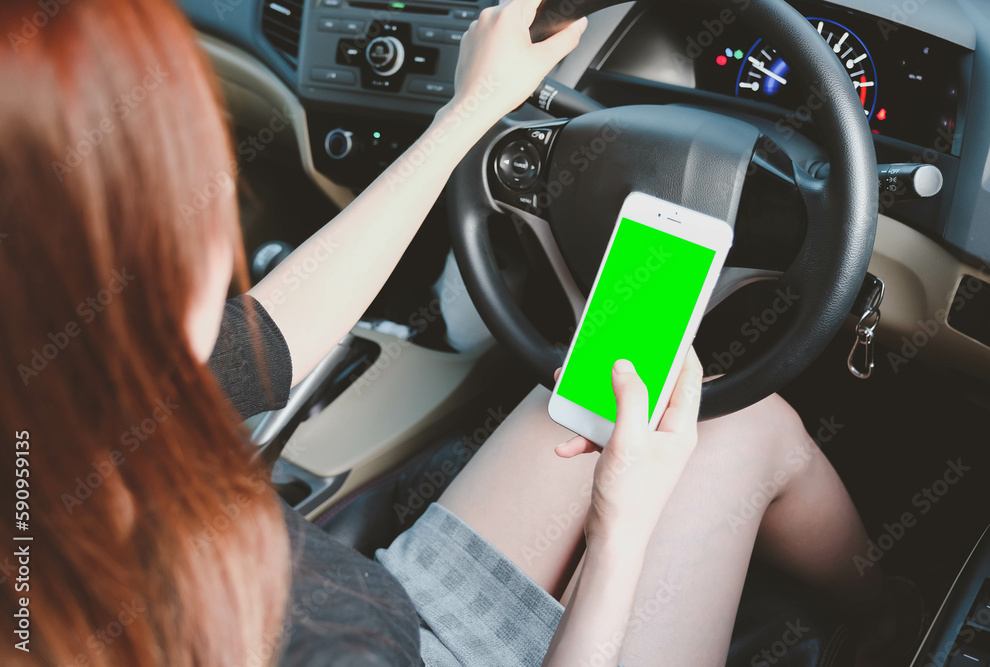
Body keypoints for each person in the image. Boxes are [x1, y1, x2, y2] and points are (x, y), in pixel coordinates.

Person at [0, 0, 918, 664]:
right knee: (741, 420)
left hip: (380, 603)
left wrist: (468, 111)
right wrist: (621, 523)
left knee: (611, 384)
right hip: (381, 635)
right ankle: (899, 630)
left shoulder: (47, 408)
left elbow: (264, 345)